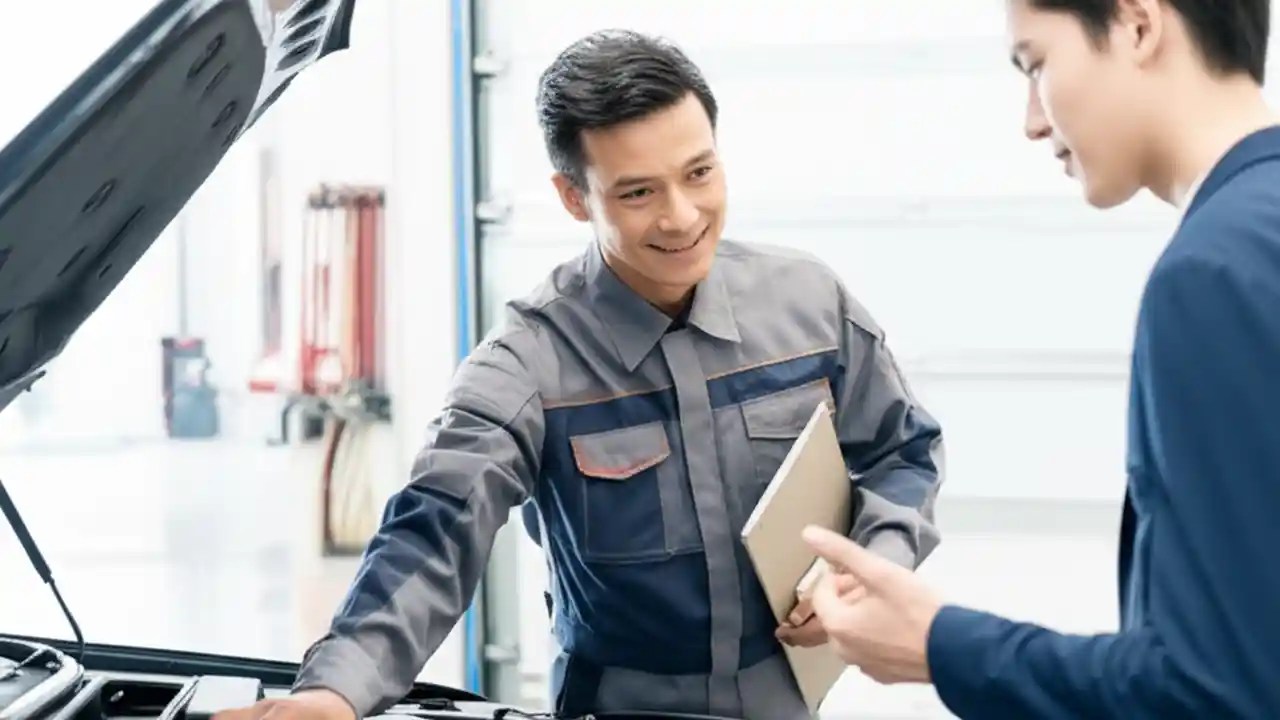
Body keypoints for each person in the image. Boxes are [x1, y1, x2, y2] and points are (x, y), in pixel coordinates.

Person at [213, 29, 945, 720]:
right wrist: (334, 693)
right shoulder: (527, 364)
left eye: (699, 173)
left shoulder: (810, 303)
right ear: (573, 197)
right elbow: (432, 533)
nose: (682, 216)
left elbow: (903, 450)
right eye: (638, 193)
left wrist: (867, 565)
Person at [802, 0, 1280, 717]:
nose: (1032, 120)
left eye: (1036, 65)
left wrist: (938, 643)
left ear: (1137, 24)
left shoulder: (1212, 272)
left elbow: (1216, 689)